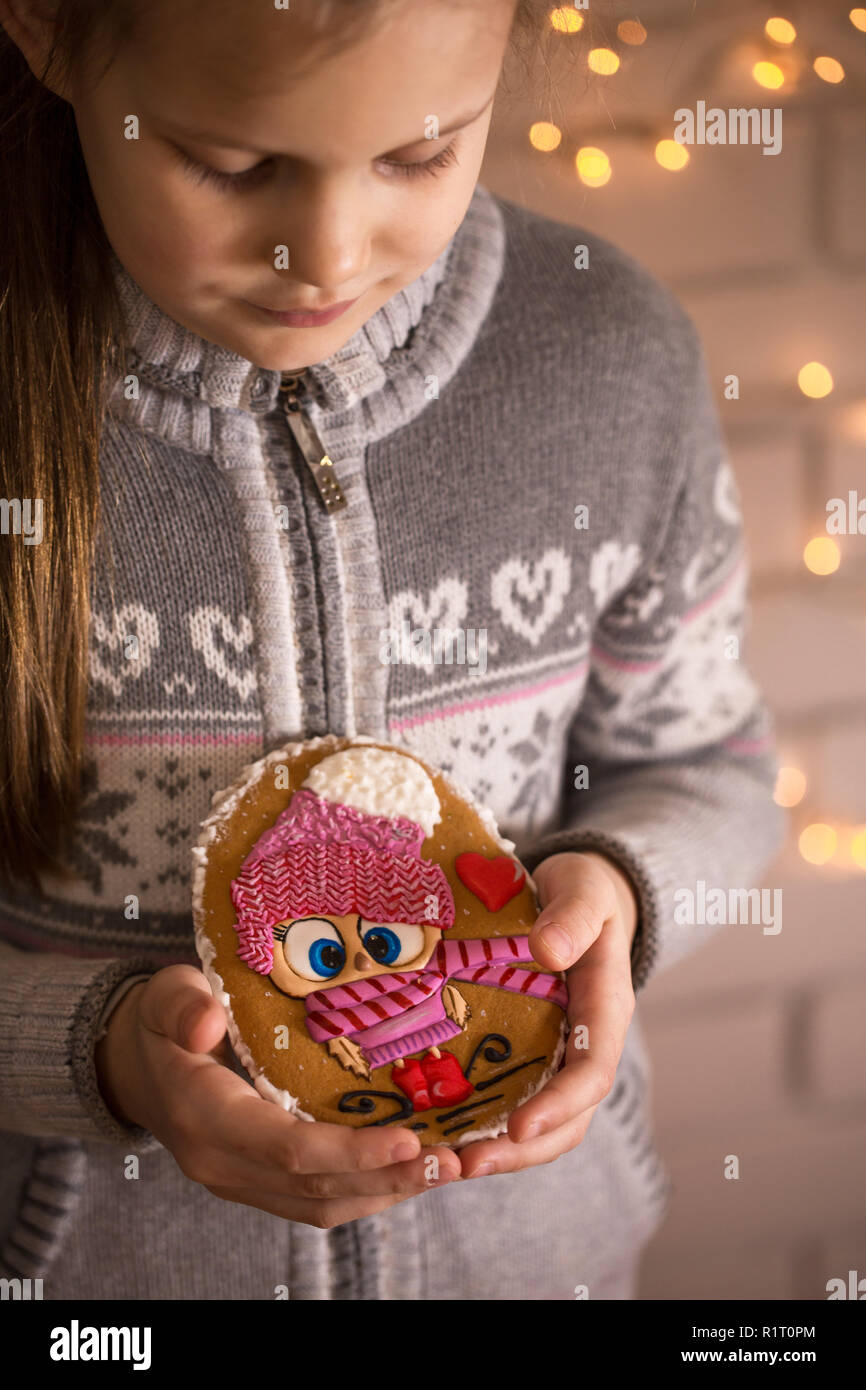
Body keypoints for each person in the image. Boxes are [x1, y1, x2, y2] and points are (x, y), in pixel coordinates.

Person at [0, 0, 785, 1300]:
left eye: (419, 154)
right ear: (42, 27)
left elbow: (712, 763)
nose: (327, 253)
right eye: (234, 165)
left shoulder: (607, 355)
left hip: (537, 1259)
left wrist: (622, 889)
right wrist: (95, 1053)